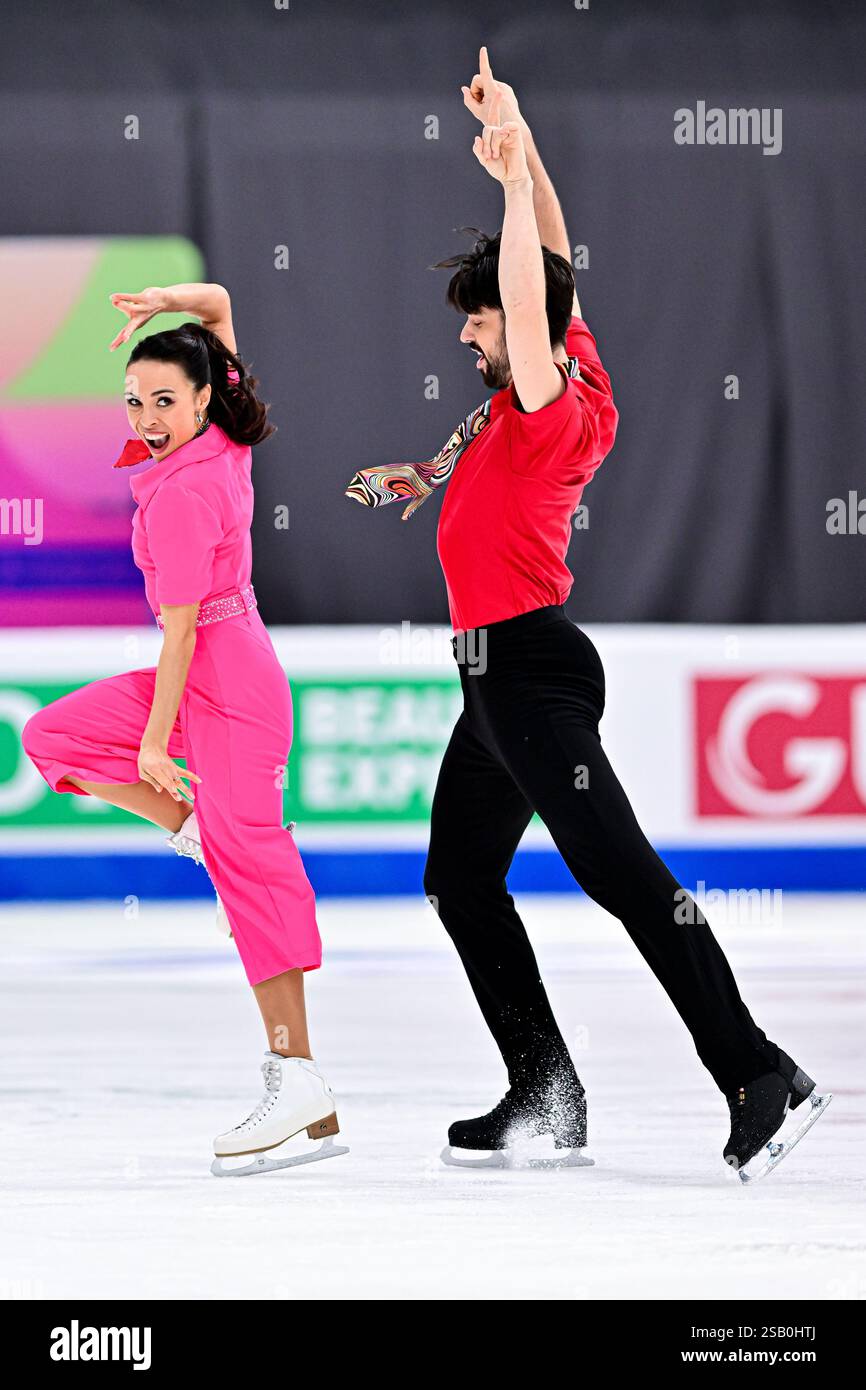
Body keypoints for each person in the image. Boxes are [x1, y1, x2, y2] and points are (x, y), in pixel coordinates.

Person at [347, 51, 828, 1180]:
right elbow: (551, 273)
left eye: (479, 325)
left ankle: (757, 1070)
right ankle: (544, 1091)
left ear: (522, 336)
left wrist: (511, 186)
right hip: (495, 686)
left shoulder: (549, 408)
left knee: (622, 875)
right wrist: (519, 146)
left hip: (525, 673)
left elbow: (530, 289)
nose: (467, 340)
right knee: (458, 878)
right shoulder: (573, 363)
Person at [22, 282, 347, 1177]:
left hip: (227, 682)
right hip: (213, 661)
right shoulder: (226, 434)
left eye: (166, 399)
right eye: (135, 400)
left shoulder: (186, 492)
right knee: (50, 738)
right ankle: (191, 830)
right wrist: (171, 303)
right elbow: (221, 308)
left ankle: (296, 1074)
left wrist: (155, 747)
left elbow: (176, 640)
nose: (149, 416)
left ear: (203, 398)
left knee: (253, 875)